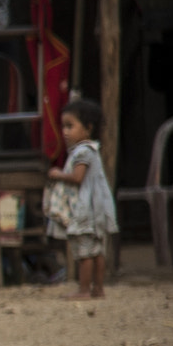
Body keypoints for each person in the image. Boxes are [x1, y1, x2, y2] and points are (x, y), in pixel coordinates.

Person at [47, 98, 117, 301]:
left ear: (88, 128)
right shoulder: (91, 150)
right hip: (97, 209)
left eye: (70, 126)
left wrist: (58, 174)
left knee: (85, 252)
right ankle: (99, 289)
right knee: (97, 250)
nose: (65, 132)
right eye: (64, 126)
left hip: (87, 210)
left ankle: (84, 290)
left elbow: (78, 178)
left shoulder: (83, 152)